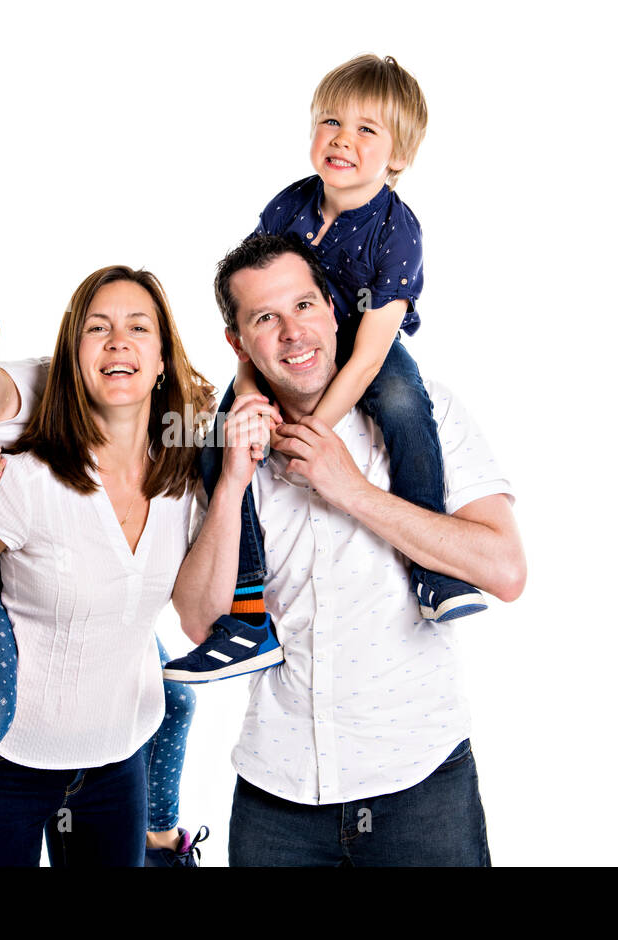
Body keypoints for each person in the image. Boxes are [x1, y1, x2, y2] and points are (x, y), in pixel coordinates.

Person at [173, 234, 526, 865]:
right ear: (238, 345)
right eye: (264, 319)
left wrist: (353, 491)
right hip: (276, 800)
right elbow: (201, 619)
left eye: (304, 306)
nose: (292, 333)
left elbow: (503, 569)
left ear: (334, 310)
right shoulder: (221, 450)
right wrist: (230, 484)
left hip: (423, 789)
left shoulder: (426, 415)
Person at [0, 269, 207, 867]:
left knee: (171, 695)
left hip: (73, 574)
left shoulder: (52, 378)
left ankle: (160, 835)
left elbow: (128, 391)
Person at [168, 54, 479, 684]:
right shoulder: (291, 205)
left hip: (364, 345)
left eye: (368, 130)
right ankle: (248, 615)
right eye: (331, 121)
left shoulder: (397, 231)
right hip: (286, 347)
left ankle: (432, 568)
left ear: (400, 156)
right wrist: (253, 402)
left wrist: (314, 428)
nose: (343, 138)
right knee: (218, 437)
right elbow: (253, 298)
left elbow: (367, 356)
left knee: (403, 406)